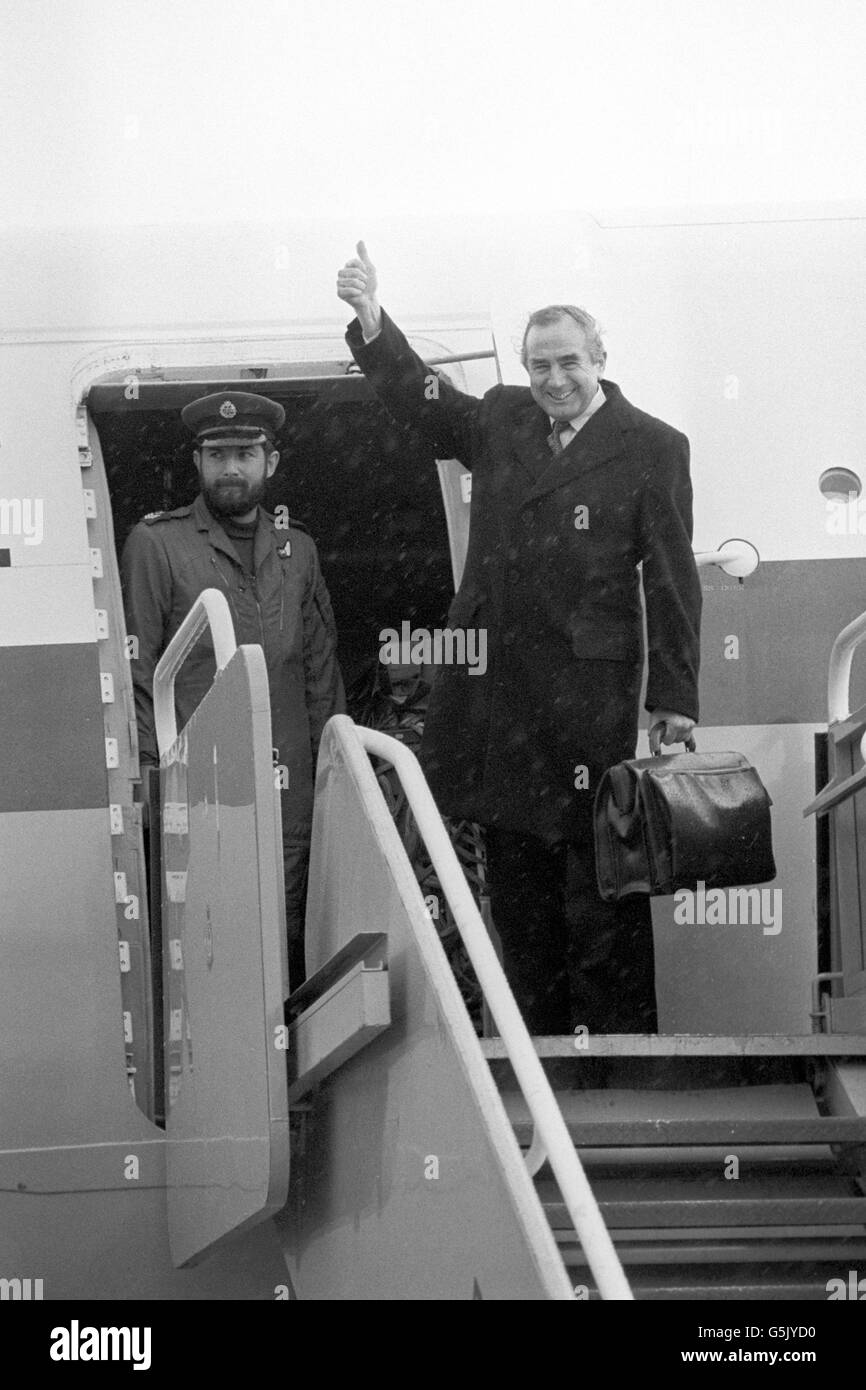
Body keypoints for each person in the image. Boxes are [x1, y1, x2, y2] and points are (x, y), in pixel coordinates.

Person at [337, 242, 700, 1034]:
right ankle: (539, 1051)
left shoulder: (653, 447)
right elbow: (421, 399)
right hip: (499, 693)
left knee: (600, 886)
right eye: (539, 365)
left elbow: (672, 581)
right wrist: (371, 319)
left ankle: (616, 1062)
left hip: (588, 697)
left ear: (600, 358)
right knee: (521, 887)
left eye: (568, 362)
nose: (553, 380)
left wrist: (673, 700)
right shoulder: (503, 418)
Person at [121, 390, 345, 985]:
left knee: (293, 937)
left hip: (290, 786)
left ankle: (295, 1075)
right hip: (200, 787)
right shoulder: (156, 543)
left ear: (270, 463)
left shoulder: (299, 550)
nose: (231, 468)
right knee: (210, 948)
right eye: (216, 454)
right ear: (197, 463)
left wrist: (334, 771)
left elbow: (321, 674)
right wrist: (153, 776)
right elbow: (137, 671)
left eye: (245, 453)